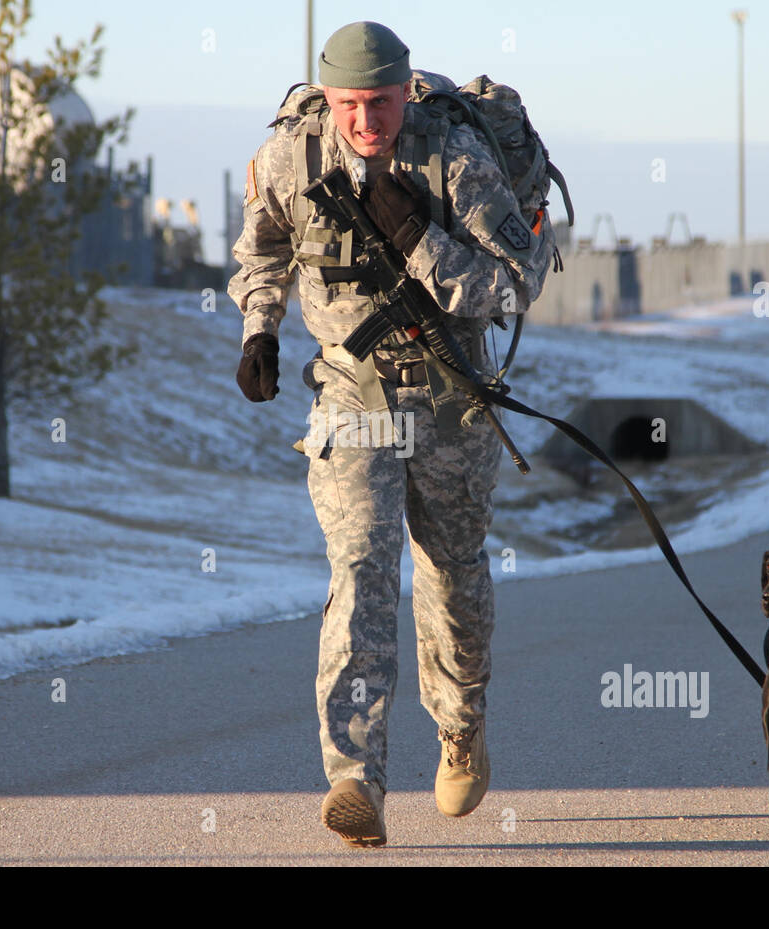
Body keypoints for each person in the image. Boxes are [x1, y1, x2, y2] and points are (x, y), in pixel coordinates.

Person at [227, 20, 552, 847]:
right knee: (363, 566)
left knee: (451, 574)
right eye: (349, 105)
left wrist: (420, 239)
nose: (366, 120)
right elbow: (259, 253)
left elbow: (518, 283)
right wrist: (257, 330)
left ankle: (459, 723)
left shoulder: (457, 162)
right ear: (327, 99)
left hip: (451, 396)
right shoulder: (288, 159)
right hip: (350, 397)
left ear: (407, 90)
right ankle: (356, 778)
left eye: (381, 102)